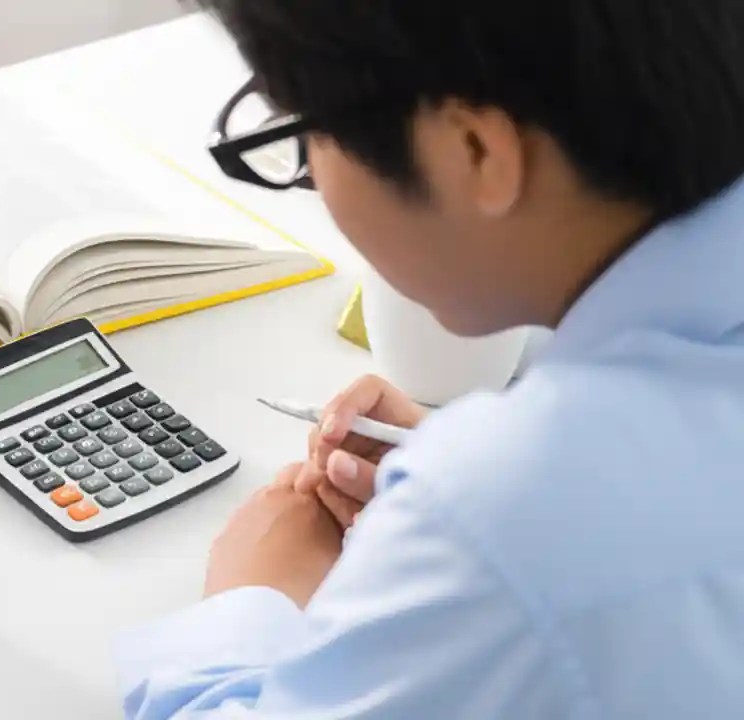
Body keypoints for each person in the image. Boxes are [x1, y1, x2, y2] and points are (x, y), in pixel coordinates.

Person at [115, 1, 744, 717]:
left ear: (474, 150)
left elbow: (554, 532)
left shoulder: (507, 516)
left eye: (306, 131)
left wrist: (252, 600)